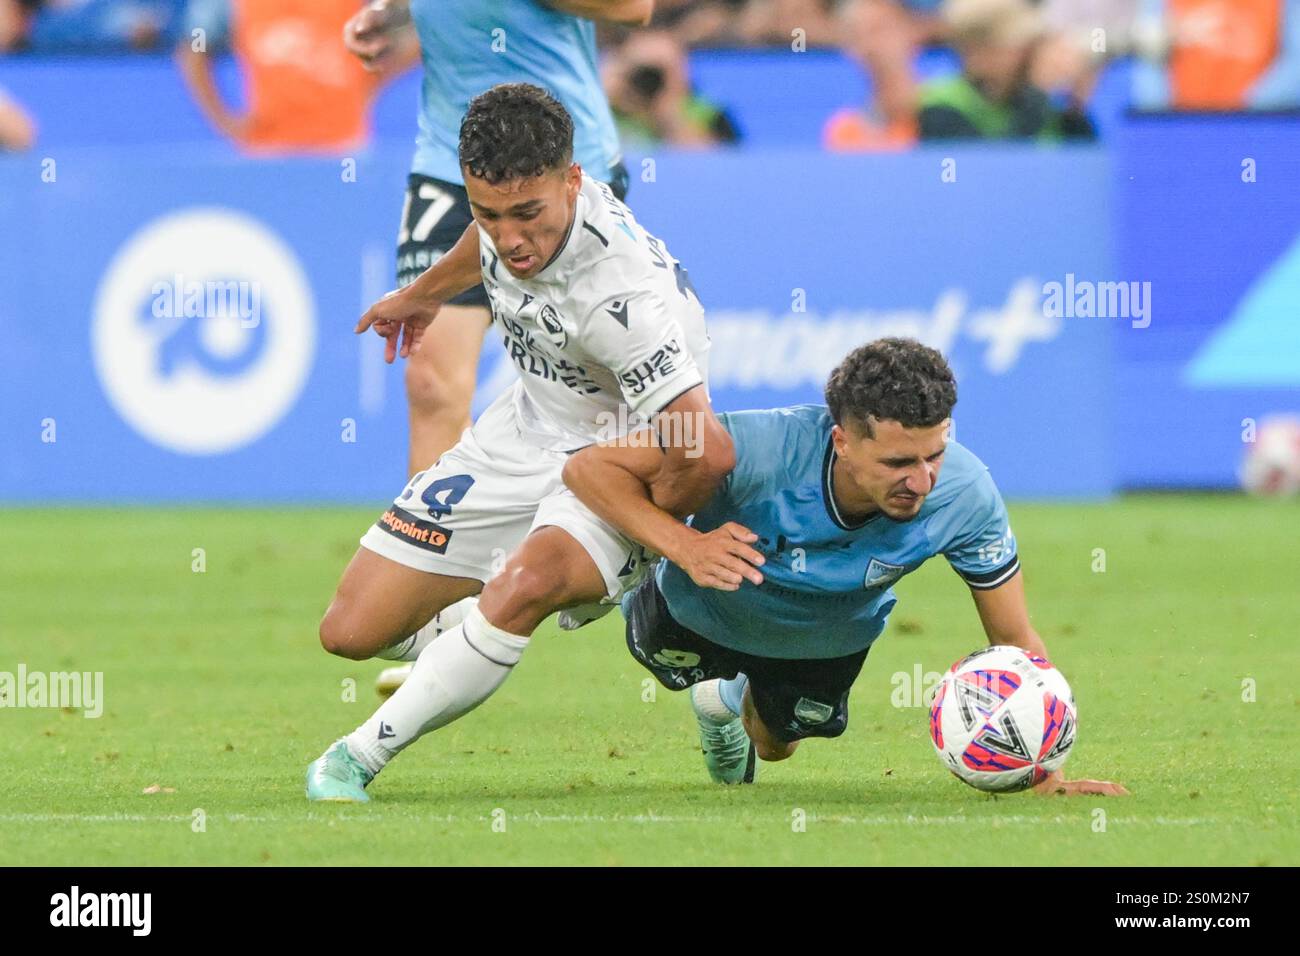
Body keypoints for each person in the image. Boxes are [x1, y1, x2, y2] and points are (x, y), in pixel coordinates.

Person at [304, 83, 734, 802]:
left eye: (527, 214)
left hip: (617, 453)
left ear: (574, 180)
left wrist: (665, 538)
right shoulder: (515, 216)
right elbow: (486, 245)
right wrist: (425, 293)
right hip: (522, 429)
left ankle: (353, 760)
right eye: (489, 212)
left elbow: (706, 448)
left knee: (525, 586)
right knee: (351, 630)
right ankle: (712, 677)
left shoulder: (619, 300)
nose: (510, 239)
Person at [563, 338, 1129, 795]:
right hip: (695, 611)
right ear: (841, 441)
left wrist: (1045, 773)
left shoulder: (965, 494)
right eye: (898, 462)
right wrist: (685, 546)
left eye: (935, 454)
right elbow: (589, 469)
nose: (921, 480)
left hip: (824, 640)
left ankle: (726, 702)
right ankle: (717, 684)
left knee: (774, 747)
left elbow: (1013, 639)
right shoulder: (756, 447)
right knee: (673, 659)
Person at [174, 0, 403, 154]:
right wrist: (224, 121)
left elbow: (415, 27)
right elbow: (196, 45)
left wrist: (370, 84)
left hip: (342, 146)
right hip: (270, 148)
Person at [918, 0, 1097, 141]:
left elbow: (1084, 165)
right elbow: (993, 174)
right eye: (1019, 45)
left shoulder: (1051, 101)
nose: (1031, 53)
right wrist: (1037, 92)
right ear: (976, 52)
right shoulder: (942, 105)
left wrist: (1075, 105)